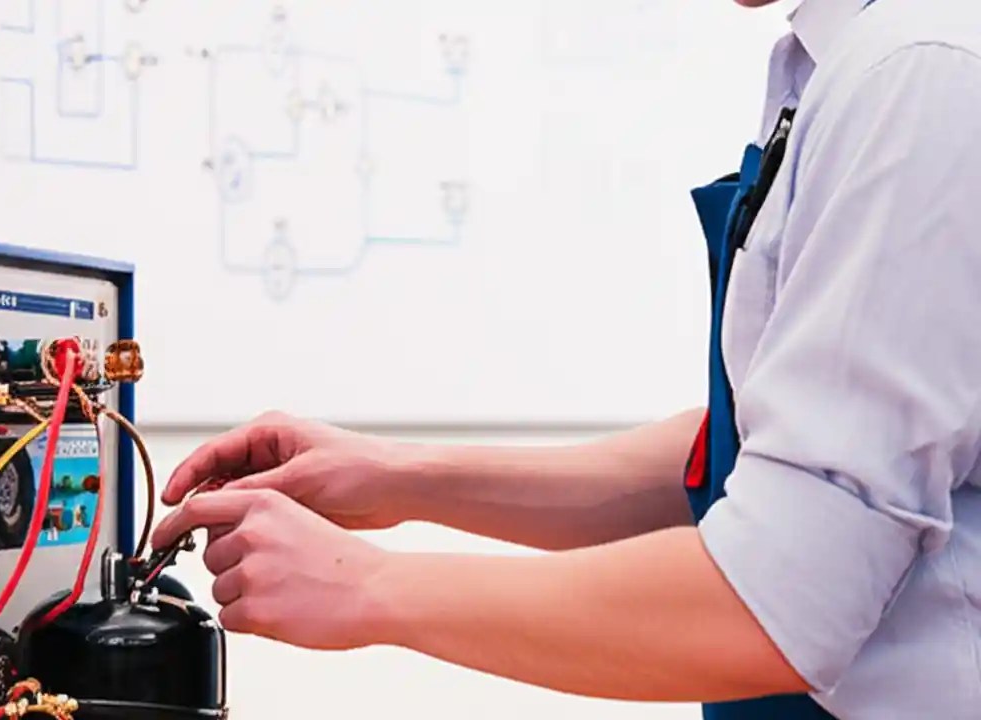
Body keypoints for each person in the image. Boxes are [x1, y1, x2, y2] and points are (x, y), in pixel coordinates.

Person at [152, 0, 981, 717]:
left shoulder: (919, 75)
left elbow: (778, 599)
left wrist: (365, 586)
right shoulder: (839, 65)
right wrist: (400, 477)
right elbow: (748, 457)